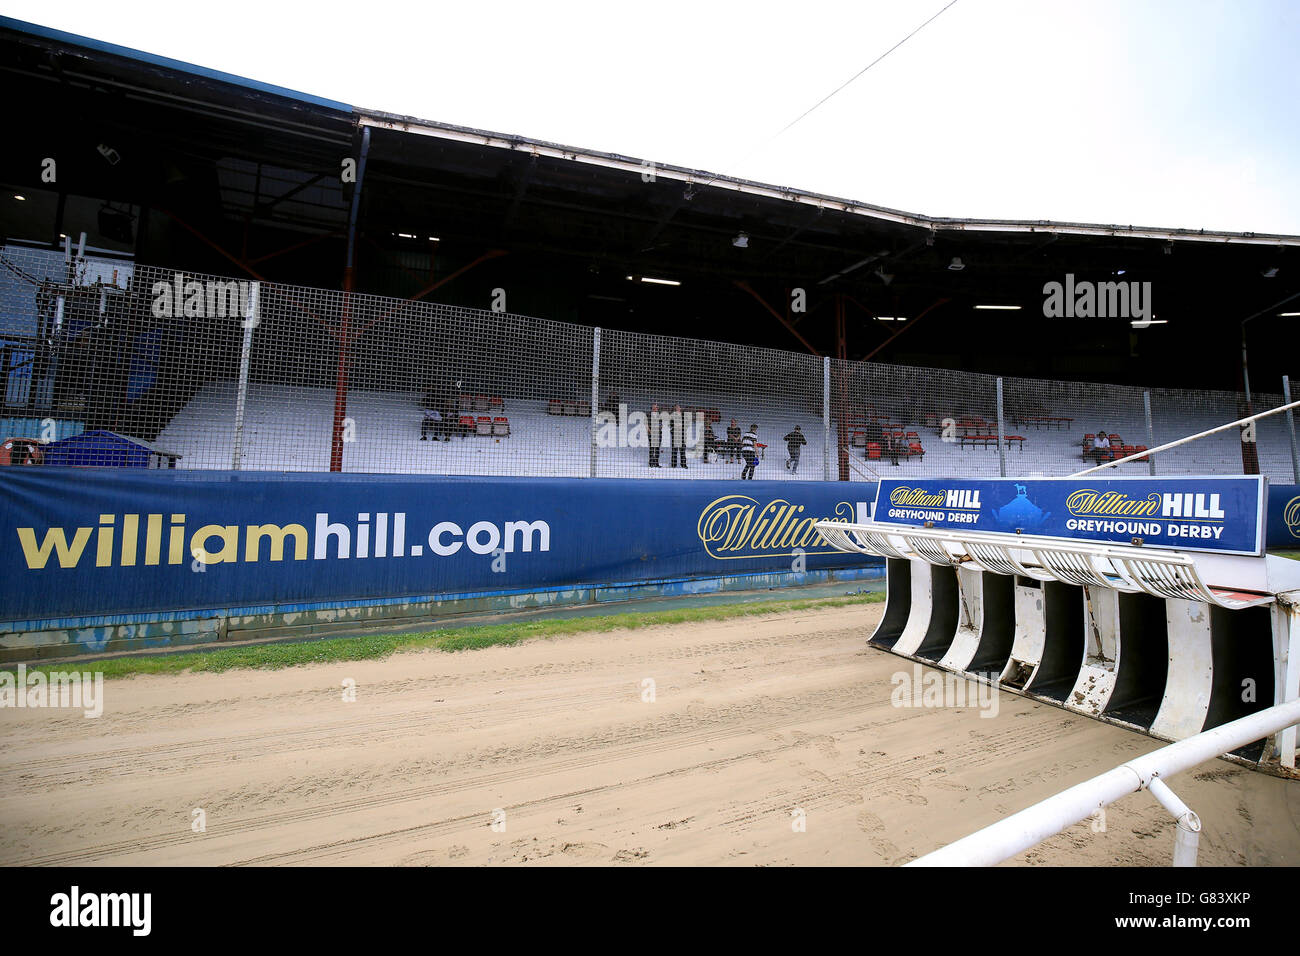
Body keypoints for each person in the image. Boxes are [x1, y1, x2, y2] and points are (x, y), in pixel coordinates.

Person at [670, 404, 687, 469]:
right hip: (675, 435)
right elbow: (669, 422)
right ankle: (674, 465)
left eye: (678, 407)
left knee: (682, 450)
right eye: (676, 407)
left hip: (682, 435)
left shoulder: (683, 415)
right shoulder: (672, 415)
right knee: (674, 450)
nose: (677, 408)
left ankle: (683, 464)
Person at [648, 403, 662, 468]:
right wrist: (650, 431)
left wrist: (660, 427)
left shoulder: (659, 415)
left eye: (656, 407)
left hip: (658, 433)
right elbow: (646, 424)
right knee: (652, 448)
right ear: (652, 408)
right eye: (655, 407)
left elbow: (661, 424)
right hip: (652, 433)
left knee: (657, 449)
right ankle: (651, 463)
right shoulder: (649, 415)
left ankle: (656, 463)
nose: (656, 408)